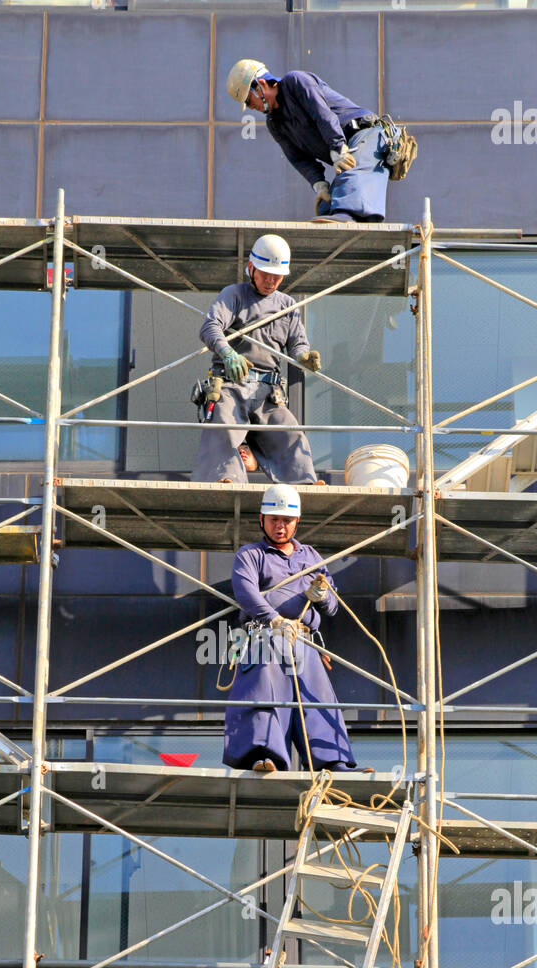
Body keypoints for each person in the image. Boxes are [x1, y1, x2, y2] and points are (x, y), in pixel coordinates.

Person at [223, 483, 357, 774]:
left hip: (305, 639)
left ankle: (333, 762)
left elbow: (333, 608)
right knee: (264, 691)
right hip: (265, 635)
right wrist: (274, 619)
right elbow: (245, 591)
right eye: (274, 520)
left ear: (297, 522)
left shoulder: (311, 557)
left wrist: (323, 595)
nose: (280, 526)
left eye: (286, 520)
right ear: (262, 520)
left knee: (317, 697)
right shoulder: (250, 555)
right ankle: (262, 755)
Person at [191, 233, 324, 486]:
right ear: (251, 268)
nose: (271, 281)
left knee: (290, 433)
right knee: (223, 427)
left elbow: (296, 343)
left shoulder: (287, 305)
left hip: (268, 392)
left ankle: (304, 483)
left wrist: (302, 357)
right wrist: (227, 352)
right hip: (231, 384)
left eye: (277, 276)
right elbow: (210, 327)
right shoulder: (234, 295)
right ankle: (226, 478)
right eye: (265, 274)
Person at [226, 60, 417, 223]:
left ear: (260, 84)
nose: (252, 108)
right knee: (329, 207)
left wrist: (337, 146)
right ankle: (350, 223)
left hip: (367, 134)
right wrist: (319, 183)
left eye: (250, 101)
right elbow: (298, 158)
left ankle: (348, 218)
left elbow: (322, 115)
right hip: (347, 150)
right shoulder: (275, 124)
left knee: (351, 183)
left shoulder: (295, 82)